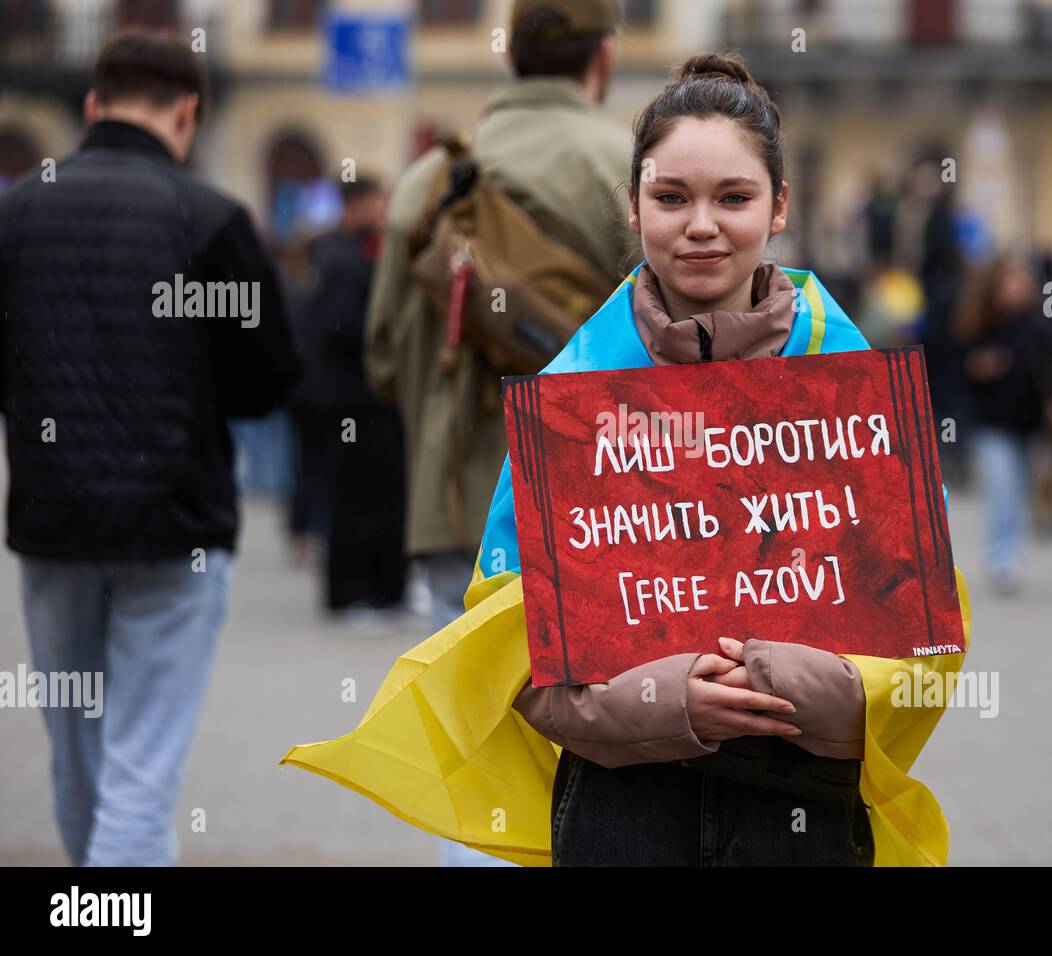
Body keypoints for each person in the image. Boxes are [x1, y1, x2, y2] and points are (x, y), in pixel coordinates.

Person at [285, 52, 972, 868]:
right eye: (672, 197)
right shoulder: (576, 387)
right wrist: (659, 698)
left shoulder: (845, 376)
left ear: (781, 205)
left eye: (735, 197)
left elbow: (923, 641)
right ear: (635, 205)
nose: (702, 225)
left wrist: (811, 686)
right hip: (623, 808)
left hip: (803, 810)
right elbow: (511, 625)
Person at [0, 31, 300, 865]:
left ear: (94, 106)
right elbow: (269, 376)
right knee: (141, 768)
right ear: (187, 112)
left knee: (78, 756)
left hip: (51, 521)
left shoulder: (16, 212)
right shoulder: (210, 218)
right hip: (178, 526)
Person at [363, 0, 633, 636]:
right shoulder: (633, 172)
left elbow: (379, 355)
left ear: (510, 55)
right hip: (592, 505)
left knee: (462, 718)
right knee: (584, 723)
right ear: (604, 56)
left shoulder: (424, 183)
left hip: (450, 502)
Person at [289, 177, 408, 621]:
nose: (384, 212)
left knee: (376, 494)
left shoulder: (345, 253)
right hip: (352, 401)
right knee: (357, 497)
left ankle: (382, 589)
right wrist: (387, 331)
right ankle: (356, 593)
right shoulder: (341, 258)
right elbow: (339, 327)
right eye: (379, 203)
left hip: (361, 399)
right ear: (356, 205)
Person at [955, 254, 1052, 593]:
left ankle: (1012, 550)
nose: (1018, 288)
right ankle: (1001, 555)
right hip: (991, 423)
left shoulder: (1039, 326)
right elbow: (953, 369)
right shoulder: (979, 326)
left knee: (1019, 491)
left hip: (1029, 423)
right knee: (1001, 488)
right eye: (1010, 282)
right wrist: (977, 367)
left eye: (1022, 282)